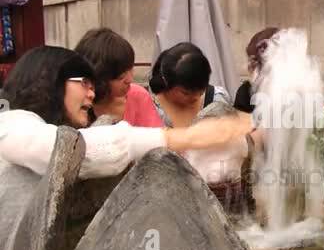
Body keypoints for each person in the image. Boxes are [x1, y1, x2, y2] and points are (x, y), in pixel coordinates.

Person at [0, 46, 253, 180]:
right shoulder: (9, 125)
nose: (91, 94)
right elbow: (64, 151)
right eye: (84, 83)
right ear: (49, 80)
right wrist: (183, 138)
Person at [74, 28, 162, 128]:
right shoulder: (75, 104)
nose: (129, 79)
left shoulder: (137, 96)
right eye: (121, 77)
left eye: (131, 69)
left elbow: (156, 137)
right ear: (98, 78)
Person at [149, 42, 231, 128]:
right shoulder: (151, 106)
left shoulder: (217, 99)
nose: (195, 97)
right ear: (166, 83)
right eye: (186, 93)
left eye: (201, 92)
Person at [233, 27, 280, 113]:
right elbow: (239, 123)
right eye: (252, 62)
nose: (249, 68)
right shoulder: (246, 92)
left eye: (257, 63)